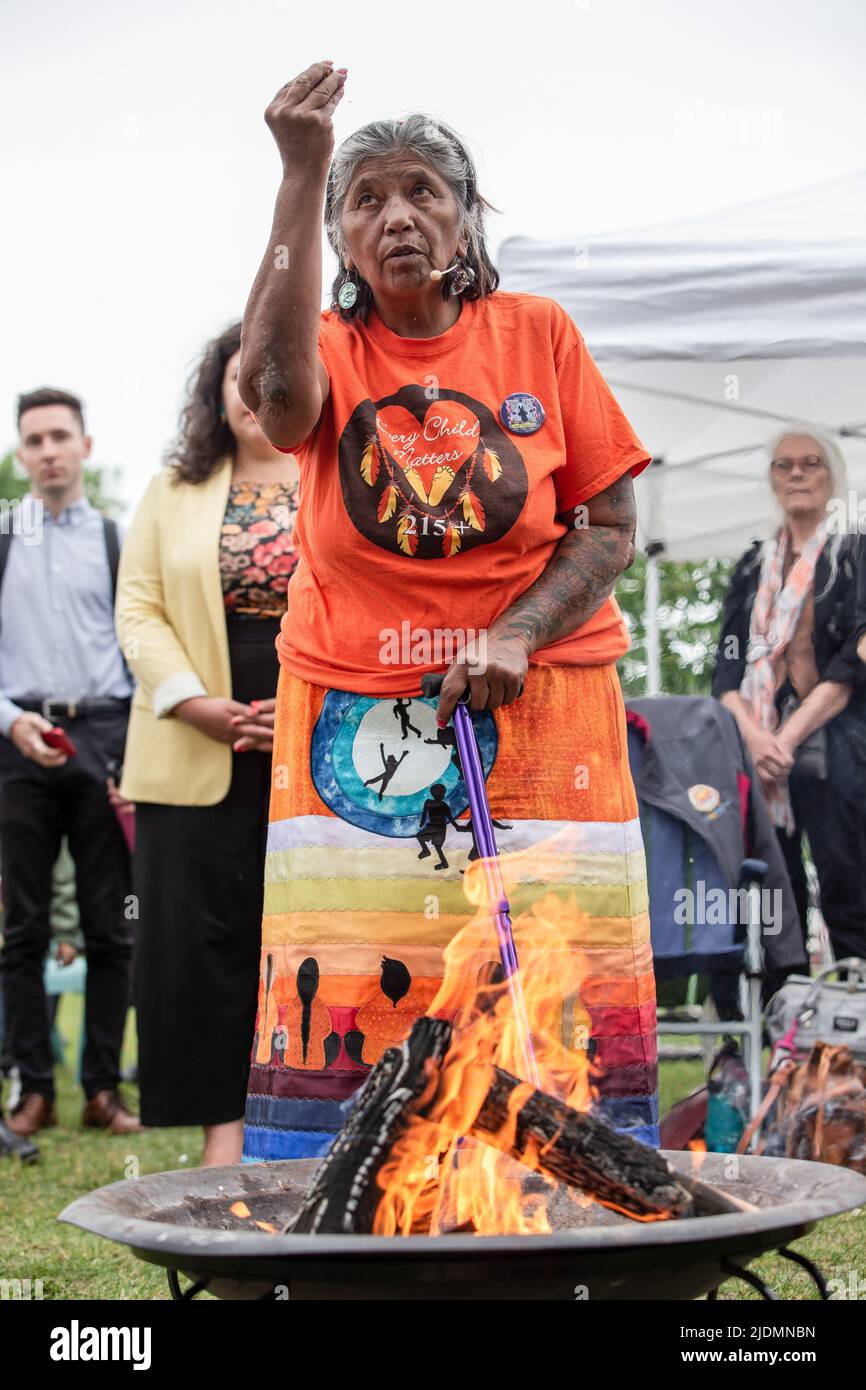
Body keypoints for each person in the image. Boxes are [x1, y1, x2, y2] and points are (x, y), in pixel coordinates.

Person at [237, 63, 659, 1161]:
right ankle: (362, 1194)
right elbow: (275, 397)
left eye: (423, 190)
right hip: (356, 711)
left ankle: (575, 1188)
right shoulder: (328, 349)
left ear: (465, 218)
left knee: (551, 960)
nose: (397, 216)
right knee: (354, 979)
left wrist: (517, 629)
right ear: (336, 240)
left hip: (548, 698)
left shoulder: (538, 333)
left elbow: (608, 524)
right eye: (365, 199)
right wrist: (298, 175)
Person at [115, 323, 300, 1166]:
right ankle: (224, 1137)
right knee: (199, 945)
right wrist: (196, 704)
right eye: (240, 376)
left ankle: (304, 1130)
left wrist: (297, 708)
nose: (255, 391)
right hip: (194, 740)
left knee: (303, 936)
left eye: (274, 375)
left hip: (319, 735)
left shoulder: (342, 479)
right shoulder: (170, 490)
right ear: (217, 392)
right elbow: (138, 612)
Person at [0, 388, 139, 1138]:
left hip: (105, 739)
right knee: (22, 926)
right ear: (22, 456)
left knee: (110, 926)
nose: (48, 450)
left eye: (60, 436)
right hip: (17, 740)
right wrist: (9, 721)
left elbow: (139, 648)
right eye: (34, 440)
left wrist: (135, 752)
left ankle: (103, 1091)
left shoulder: (118, 542)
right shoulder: (1, 540)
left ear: (85, 446)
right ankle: (32, 1090)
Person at [712, 428, 866, 966]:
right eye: (784, 466)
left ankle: (854, 1021)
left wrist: (788, 738)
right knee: (774, 892)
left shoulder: (855, 551)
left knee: (848, 879)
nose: (797, 474)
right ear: (772, 479)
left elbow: (855, 658)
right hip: (759, 747)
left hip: (839, 740)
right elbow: (725, 672)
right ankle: (781, 1028)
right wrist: (757, 740)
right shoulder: (756, 564)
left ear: (832, 474)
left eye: (810, 463)